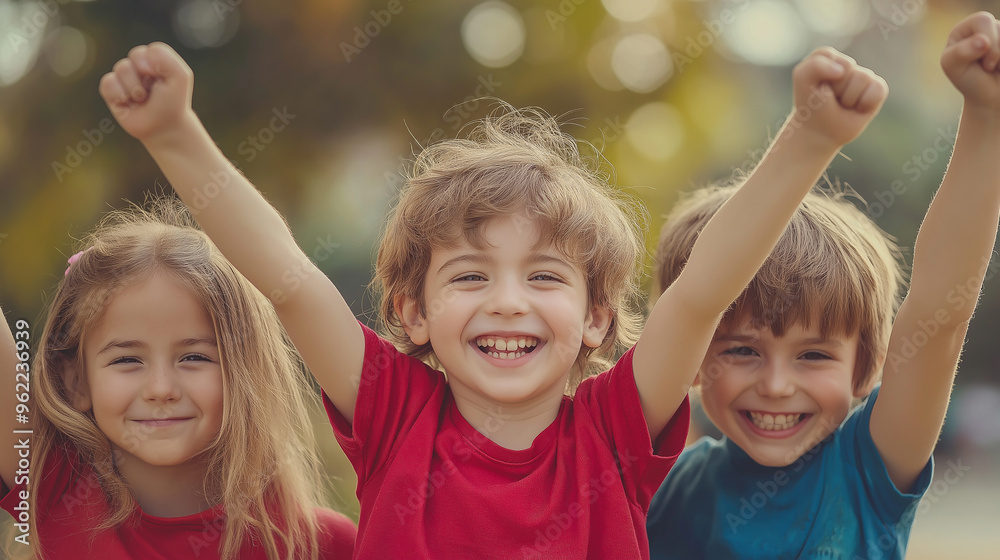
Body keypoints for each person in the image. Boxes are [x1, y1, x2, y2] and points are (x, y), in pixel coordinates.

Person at [97, 40, 885, 558]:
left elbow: (701, 294)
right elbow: (289, 279)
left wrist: (808, 141)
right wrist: (173, 135)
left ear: (596, 319)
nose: (508, 302)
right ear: (412, 312)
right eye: (470, 276)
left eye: (544, 277)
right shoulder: (393, 412)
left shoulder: (614, 428)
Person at [646, 11, 1000, 559]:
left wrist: (987, 116)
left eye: (814, 355)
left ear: (863, 366)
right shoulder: (665, 485)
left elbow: (940, 315)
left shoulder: (868, 467)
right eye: (742, 350)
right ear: (692, 357)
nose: (776, 385)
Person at [0, 199, 357, 559]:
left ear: (243, 371)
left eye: (194, 357)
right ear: (76, 382)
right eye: (126, 359)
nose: (161, 390)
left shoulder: (324, 545)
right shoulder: (56, 491)